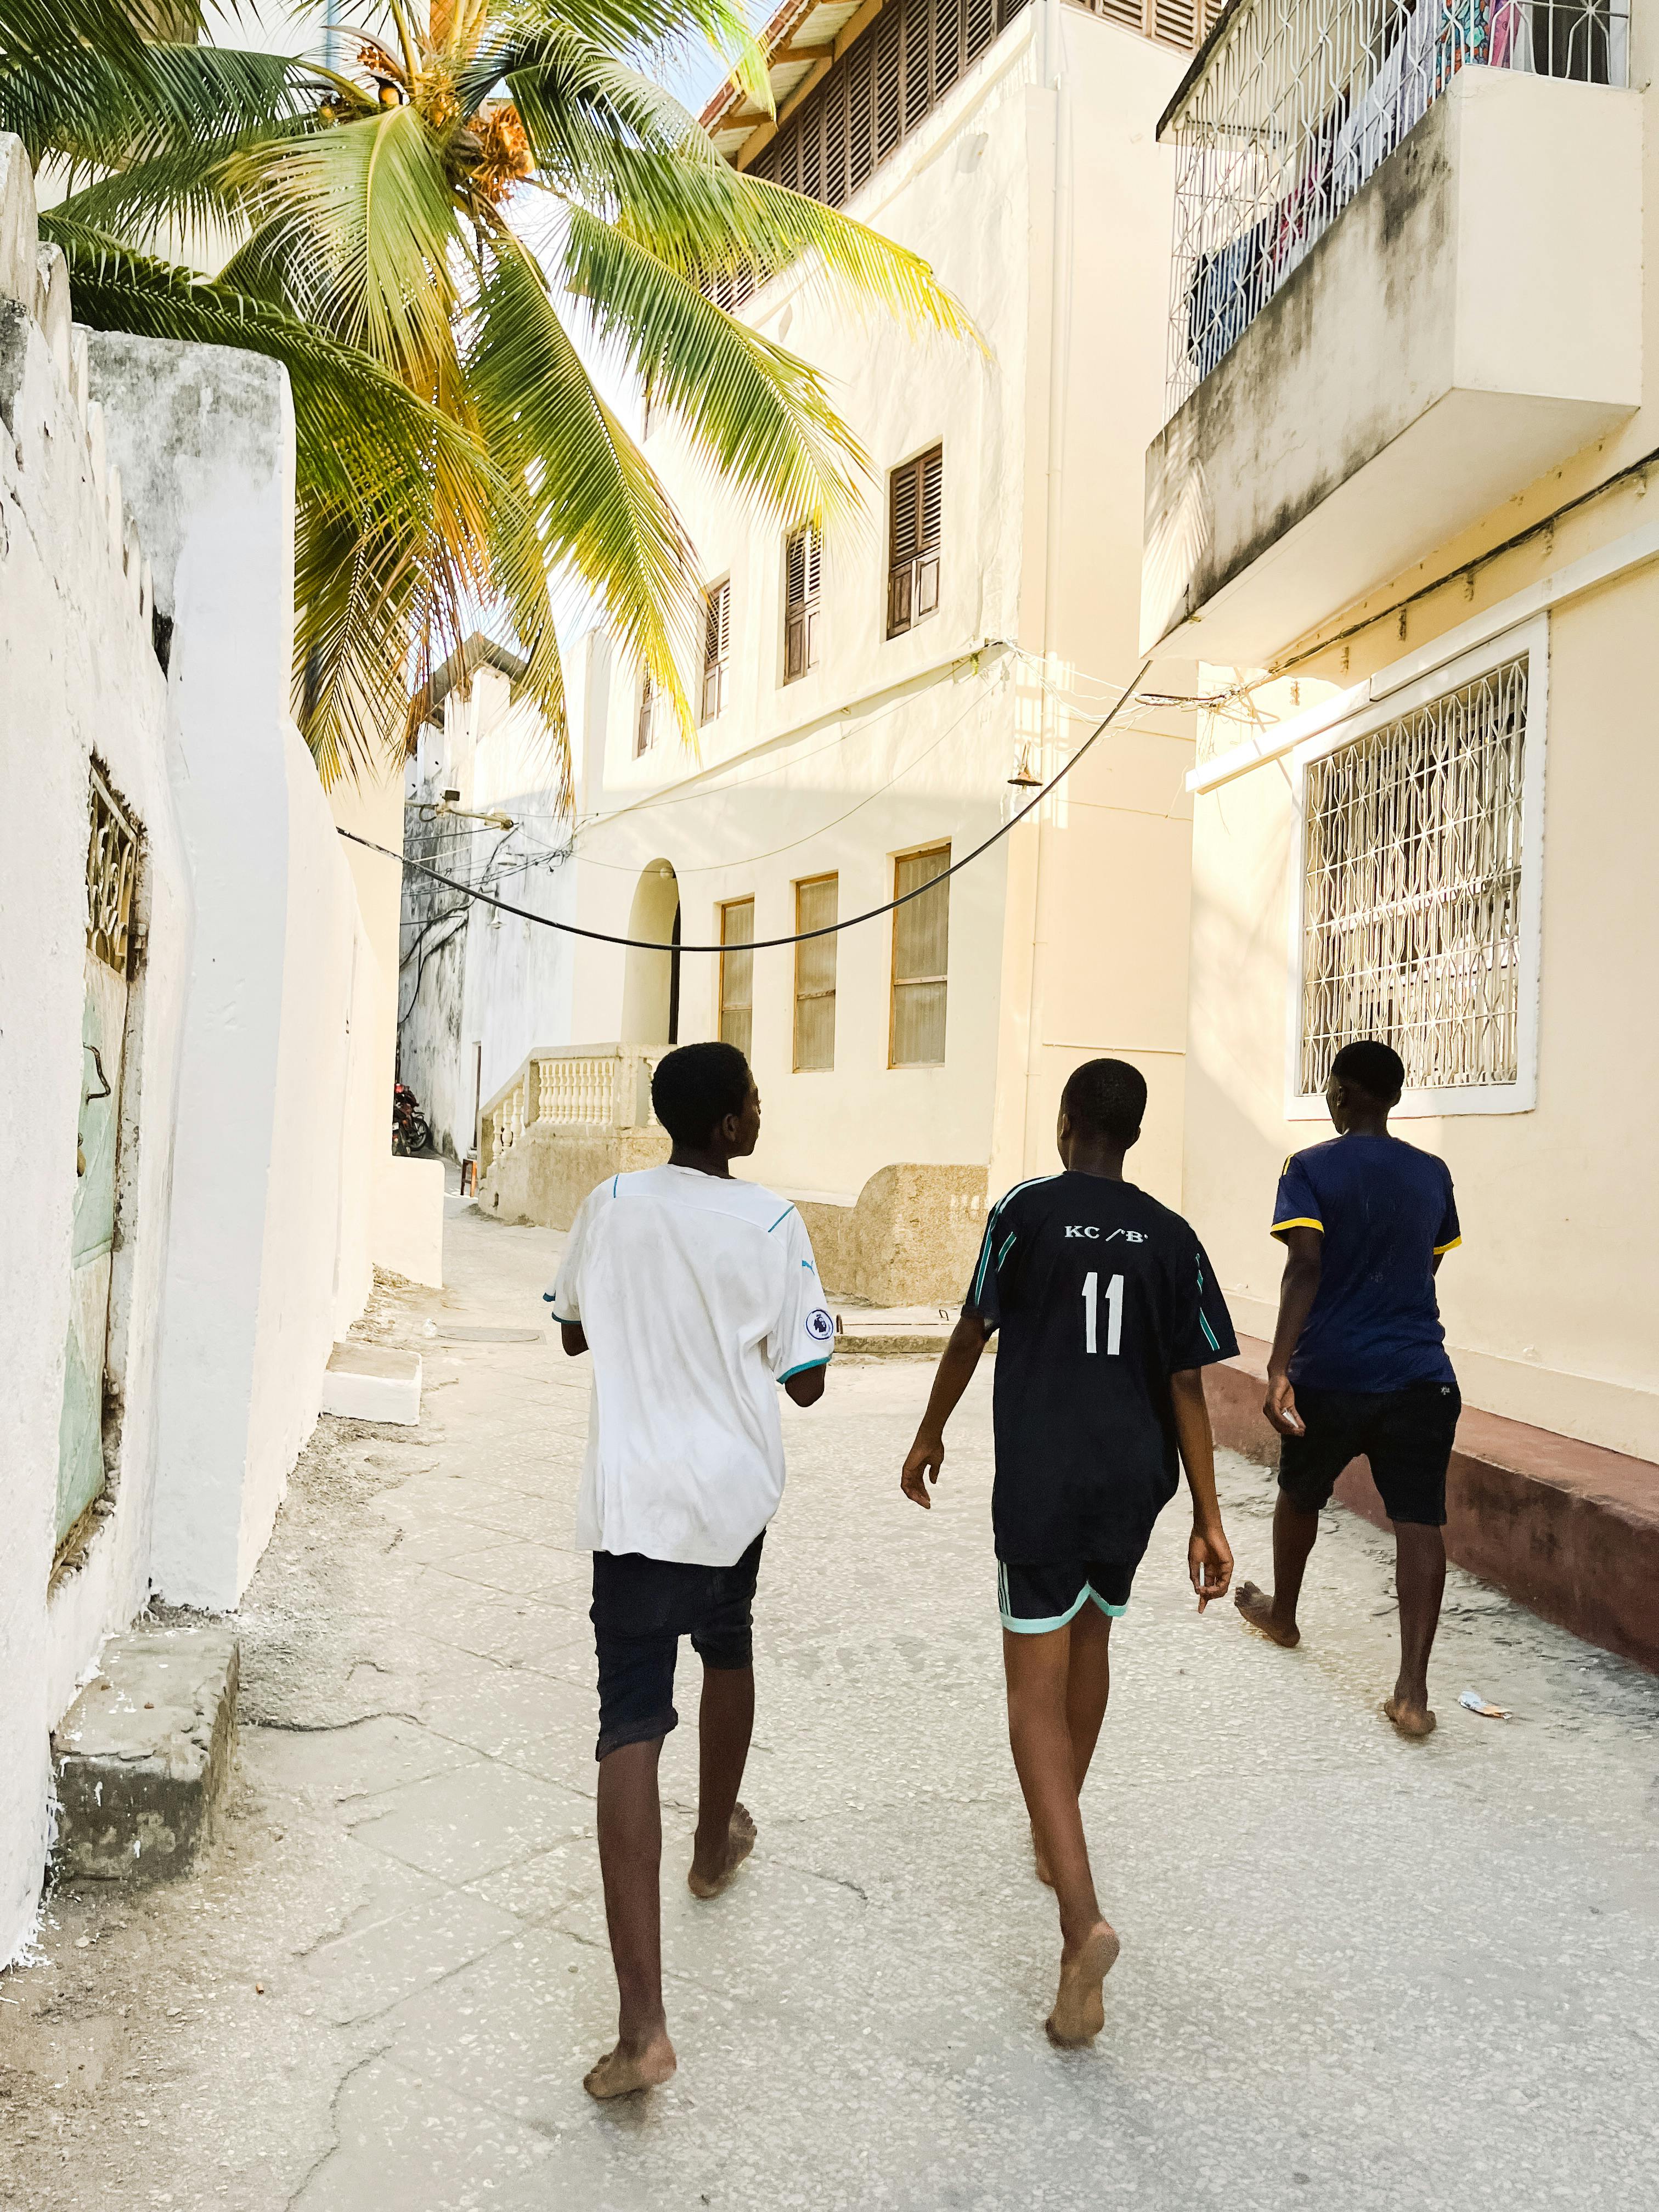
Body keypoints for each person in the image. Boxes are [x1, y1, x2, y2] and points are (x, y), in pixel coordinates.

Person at [899, 1058, 1237, 2047]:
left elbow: (974, 1327)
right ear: (1131, 1134)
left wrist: (928, 1432)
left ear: (1063, 1122)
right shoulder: (1172, 1236)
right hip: (1133, 1480)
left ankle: (1079, 1920)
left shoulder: (1025, 1210)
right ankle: (1059, 1839)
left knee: (1028, 1697)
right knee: (1092, 1639)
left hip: (1043, 1480)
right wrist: (1208, 1516)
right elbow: (1186, 1383)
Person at [545, 1041, 834, 2100]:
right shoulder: (772, 1221)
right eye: (753, 1098)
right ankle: (712, 1845)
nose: (760, 1110)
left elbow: (571, 1333)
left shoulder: (610, 1203)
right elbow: (804, 1381)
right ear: (725, 1125)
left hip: (633, 1499)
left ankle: (642, 2030)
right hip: (730, 1496)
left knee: (629, 1719)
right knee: (727, 1642)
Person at [1233, 1039, 1462, 1739]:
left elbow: (1304, 1265)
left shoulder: (1308, 1167)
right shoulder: (1432, 1173)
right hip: (1423, 1378)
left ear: (1344, 1094)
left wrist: (1279, 1367)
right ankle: (1412, 1693)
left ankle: (1284, 1617)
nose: (1329, 1099)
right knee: (1419, 1522)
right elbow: (1426, 1264)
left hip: (1330, 1375)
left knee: (1300, 1493)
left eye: (1332, 1089)